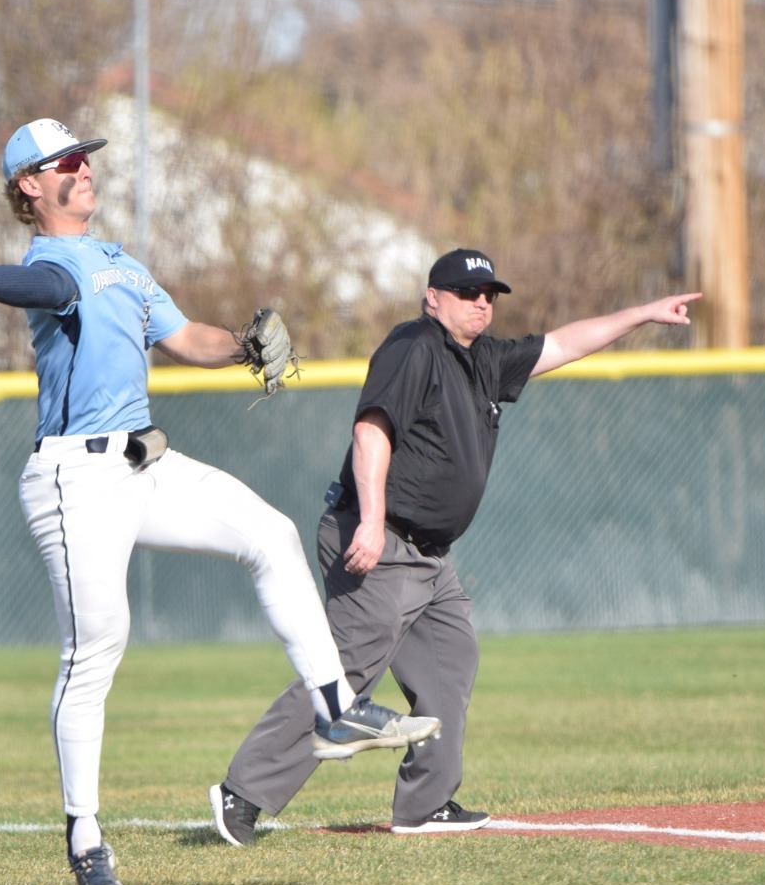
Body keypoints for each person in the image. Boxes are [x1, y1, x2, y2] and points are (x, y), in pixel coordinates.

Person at [0, 117, 439, 885]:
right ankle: (84, 834)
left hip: (145, 462)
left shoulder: (119, 263)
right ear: (30, 186)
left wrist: (242, 344)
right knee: (97, 649)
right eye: (65, 162)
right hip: (75, 479)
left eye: (86, 157)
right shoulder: (51, 262)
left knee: (269, 533)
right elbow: (32, 290)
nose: (84, 169)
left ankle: (335, 707)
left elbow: (184, 336)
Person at [207, 249, 699, 843]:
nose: (482, 302)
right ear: (433, 297)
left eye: (489, 293)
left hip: (429, 558)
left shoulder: (485, 361)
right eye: (468, 293)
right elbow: (371, 430)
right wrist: (370, 520)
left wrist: (643, 313)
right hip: (377, 540)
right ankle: (242, 794)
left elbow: (564, 344)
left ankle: (425, 805)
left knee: (451, 659)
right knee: (350, 671)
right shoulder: (414, 346)